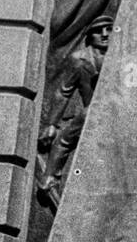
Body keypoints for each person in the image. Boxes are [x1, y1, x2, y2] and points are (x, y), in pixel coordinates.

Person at [36, 16, 113, 209]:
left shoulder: (122, 56)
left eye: (109, 29)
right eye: (99, 30)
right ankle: (50, 178)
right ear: (89, 35)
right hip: (92, 112)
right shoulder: (79, 60)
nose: (104, 34)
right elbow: (64, 92)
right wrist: (52, 124)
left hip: (116, 111)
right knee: (63, 139)